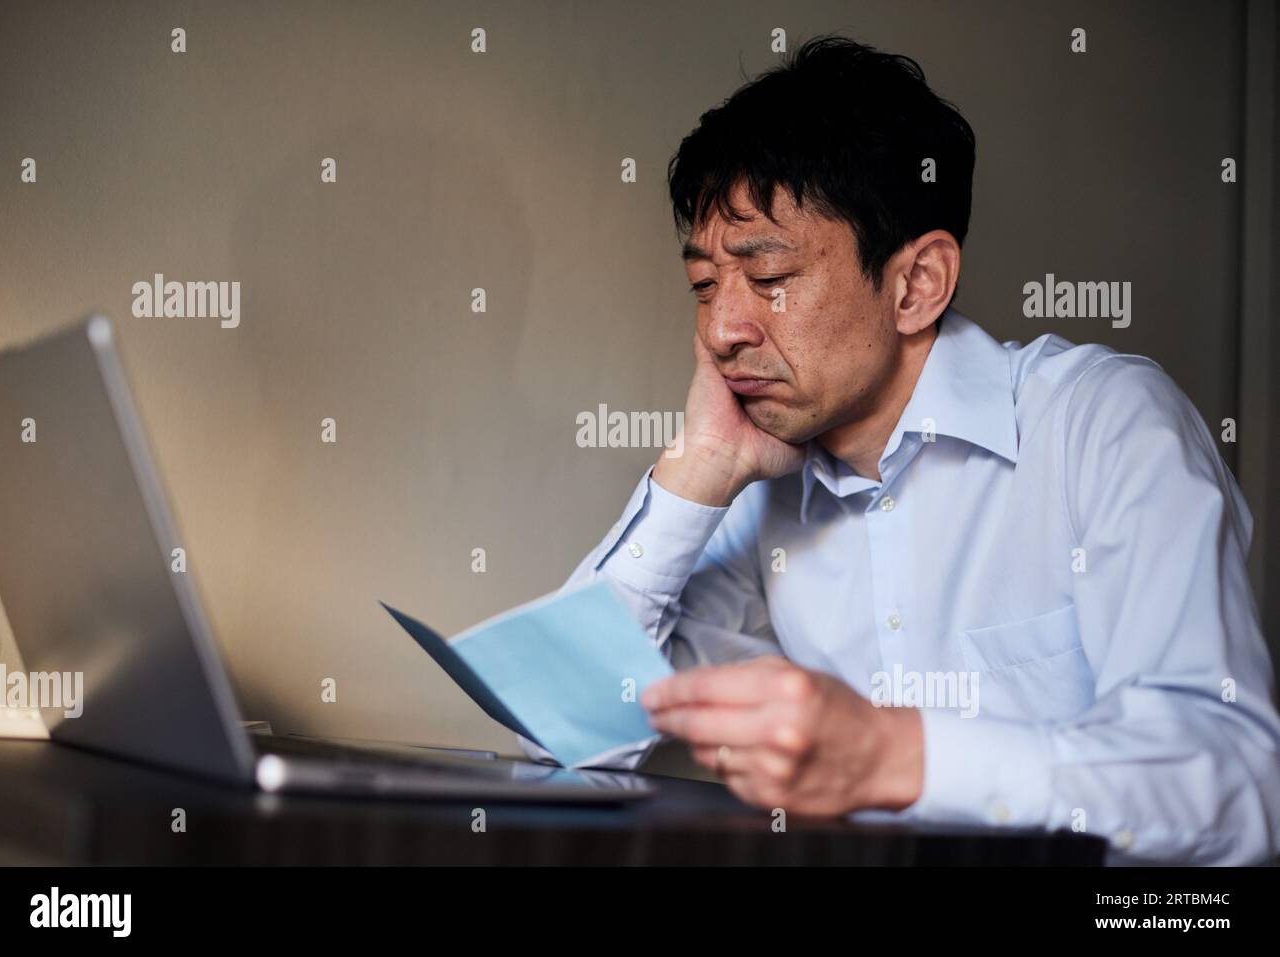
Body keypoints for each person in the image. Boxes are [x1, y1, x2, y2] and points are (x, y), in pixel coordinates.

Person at [520, 35, 1280, 865]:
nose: (721, 331)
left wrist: (892, 755)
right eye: (705, 284)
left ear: (916, 284)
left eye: (768, 277)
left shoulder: (1102, 425)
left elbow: (1235, 783)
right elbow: (560, 735)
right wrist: (698, 467)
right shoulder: (762, 479)